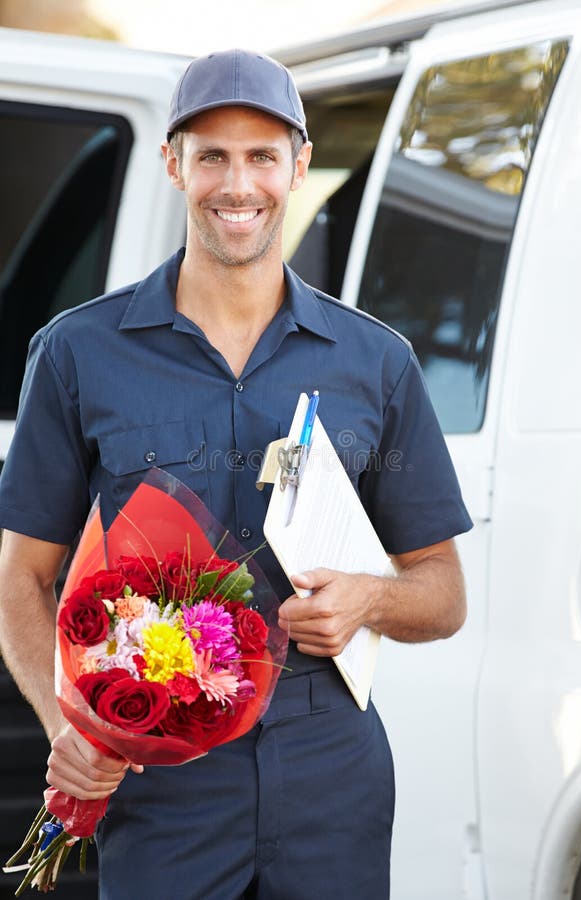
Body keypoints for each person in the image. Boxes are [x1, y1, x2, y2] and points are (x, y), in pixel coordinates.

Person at [0, 49, 472, 899]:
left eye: (262, 156)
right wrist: (72, 724)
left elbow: (443, 592)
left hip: (333, 776)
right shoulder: (76, 355)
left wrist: (369, 599)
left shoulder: (378, 363)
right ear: (173, 163)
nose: (238, 184)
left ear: (299, 164)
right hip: (162, 782)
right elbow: (20, 581)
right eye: (212, 155)